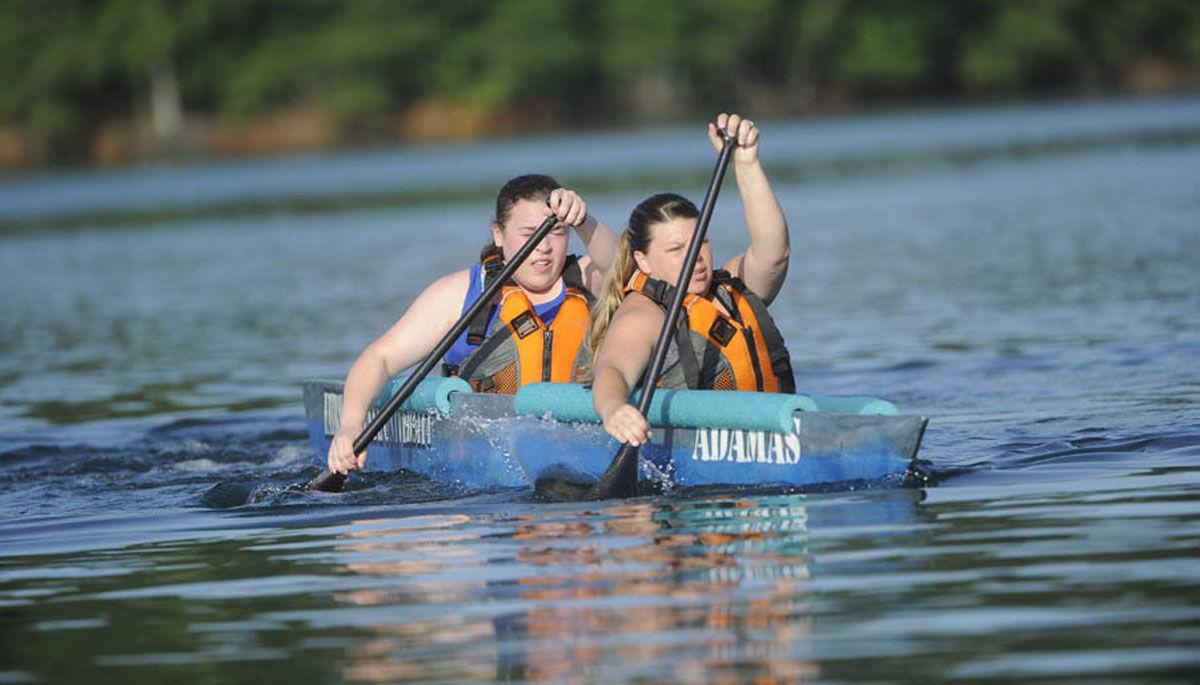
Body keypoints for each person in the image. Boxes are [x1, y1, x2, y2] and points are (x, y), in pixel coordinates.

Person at [328, 174, 617, 474]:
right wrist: (350, 425)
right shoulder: (460, 293)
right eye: (530, 233)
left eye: (557, 232)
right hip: (486, 459)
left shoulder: (588, 278)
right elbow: (381, 358)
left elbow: (619, 265)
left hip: (585, 445)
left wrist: (585, 221)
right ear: (499, 235)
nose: (544, 246)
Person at [587, 113, 795, 447]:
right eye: (676, 249)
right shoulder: (644, 314)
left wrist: (747, 165)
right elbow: (613, 372)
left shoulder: (729, 290)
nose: (696, 258)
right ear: (643, 261)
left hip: (769, 440)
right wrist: (614, 410)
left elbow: (775, 254)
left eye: (702, 243)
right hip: (690, 452)